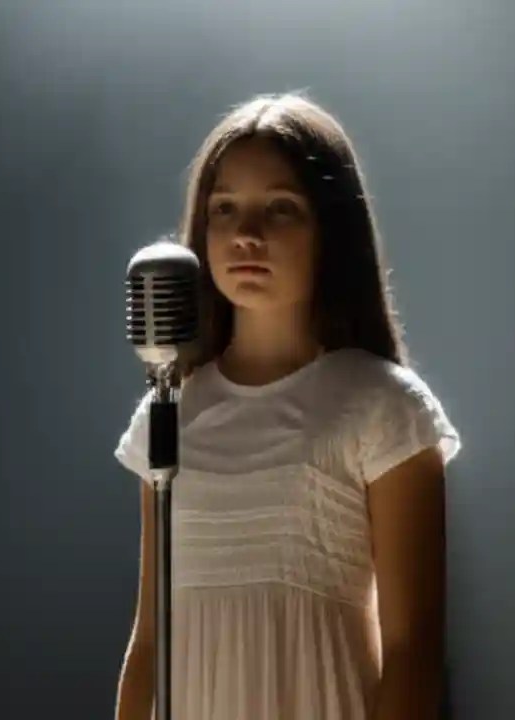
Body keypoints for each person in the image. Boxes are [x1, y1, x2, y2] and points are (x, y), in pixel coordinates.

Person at [113, 92, 462, 720]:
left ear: (331, 229)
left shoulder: (383, 409)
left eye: (280, 209)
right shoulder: (168, 417)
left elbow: (414, 651)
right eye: (225, 208)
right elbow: (148, 640)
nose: (246, 234)